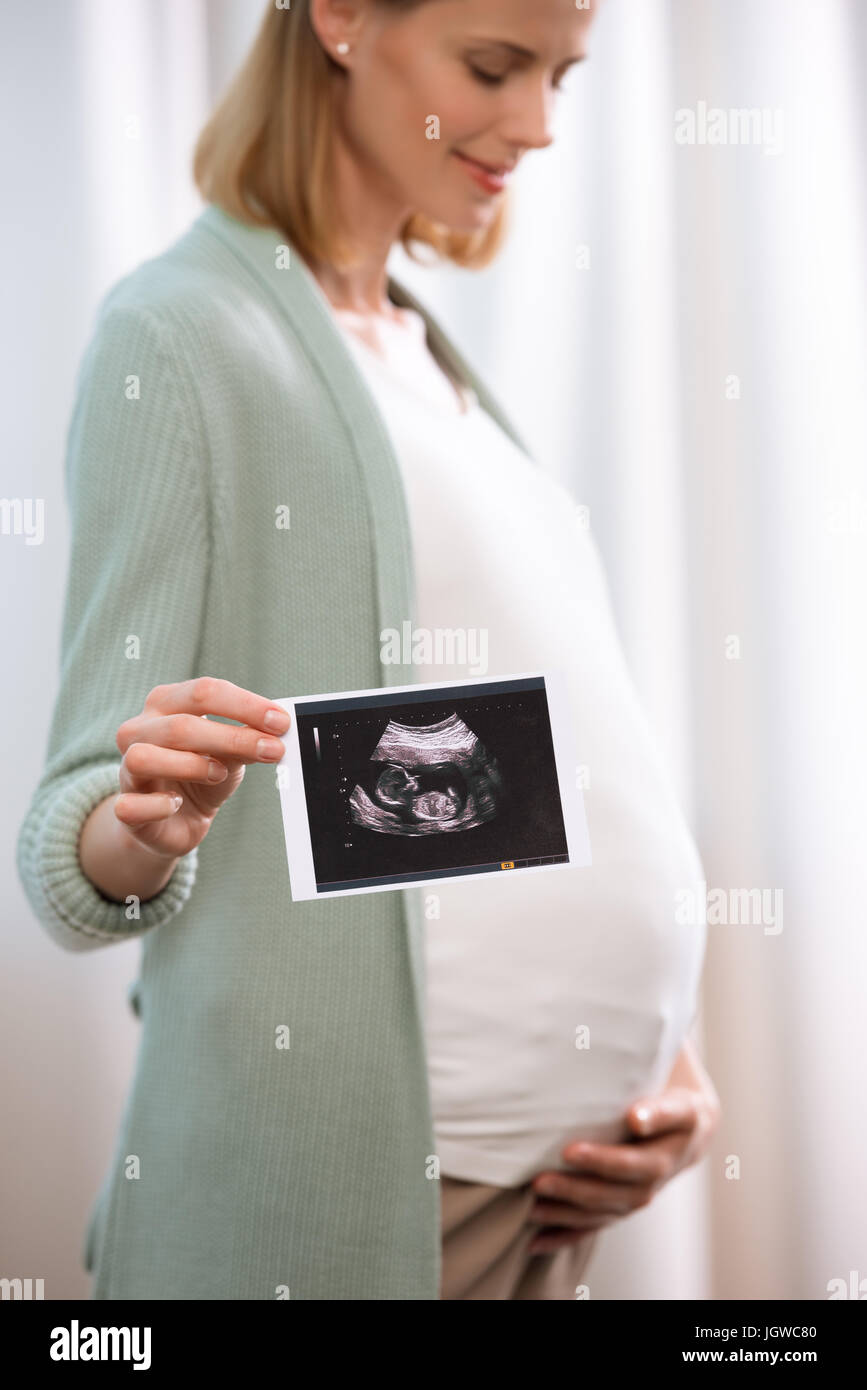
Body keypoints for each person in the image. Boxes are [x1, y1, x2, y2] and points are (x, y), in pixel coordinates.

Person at [17, 0, 720, 1301]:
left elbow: (555, 756)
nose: (541, 125)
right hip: (361, 1200)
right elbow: (71, 843)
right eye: (495, 66)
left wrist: (667, 1061)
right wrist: (148, 817)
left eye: (564, 75)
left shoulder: (420, 352)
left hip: (553, 1185)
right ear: (339, 17)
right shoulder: (178, 338)